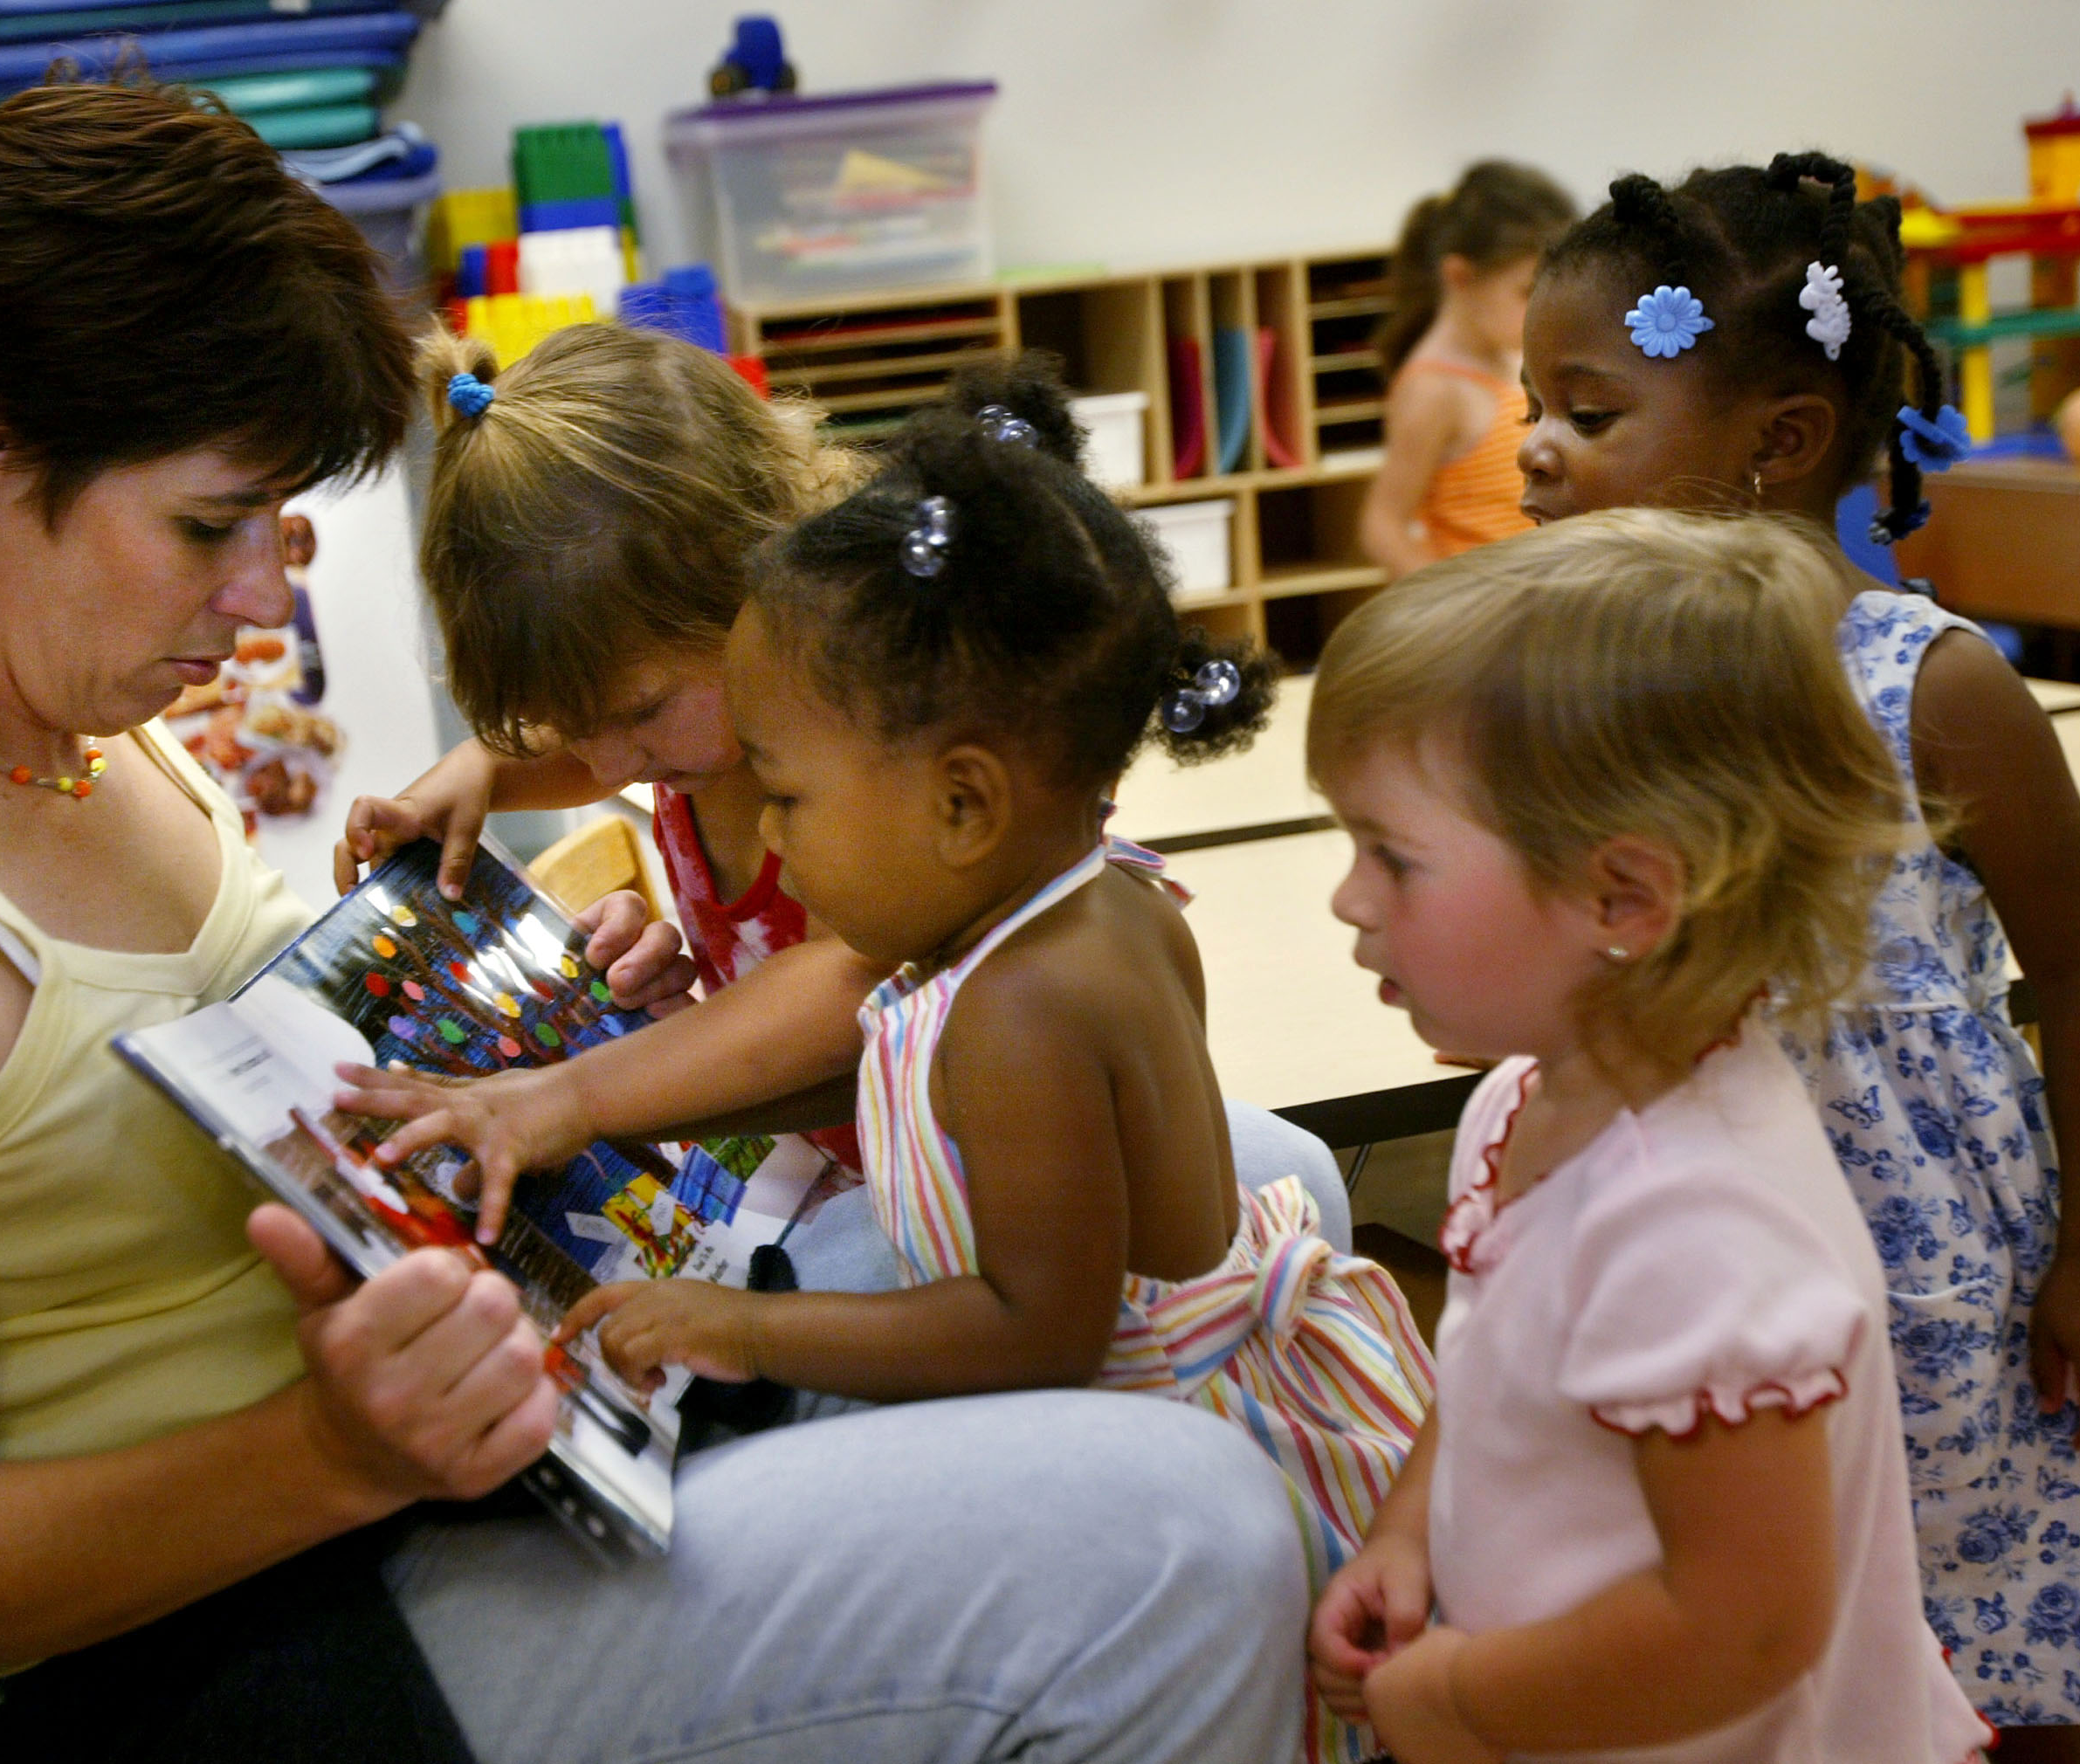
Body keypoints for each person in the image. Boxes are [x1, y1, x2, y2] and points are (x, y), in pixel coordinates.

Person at [0, 84, 1312, 1764]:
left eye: (276, 524)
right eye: (210, 524)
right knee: (1186, 1541)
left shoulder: (93, 728)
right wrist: (332, 1451)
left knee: (1260, 1179)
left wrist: (551, 1040)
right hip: (241, 1636)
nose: (265, 595)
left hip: (455, 1444)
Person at [520, 371, 1432, 1764]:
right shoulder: (1060, 909)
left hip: (1184, 1443)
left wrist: (737, 1329)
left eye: (790, 798)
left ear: (961, 802)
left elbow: (1037, 1332)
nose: (769, 846)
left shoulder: (1021, 1007)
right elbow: (887, 1092)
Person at [1517, 154, 2080, 1754]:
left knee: (1999, 1630)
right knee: (1749, 1628)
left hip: (1920, 1276)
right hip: (1684, 1268)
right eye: (1535, 406)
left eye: (1588, 417)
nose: (1527, 449)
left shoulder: (1924, 689)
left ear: (1778, 444)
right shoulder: (1568, 689)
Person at [338, 334, 1354, 1249]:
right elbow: (611, 734)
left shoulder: (874, 766)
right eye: (574, 726)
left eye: (638, 713)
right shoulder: (706, 730)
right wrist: (482, 767)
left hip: (969, 1172)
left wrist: (573, 1095)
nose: (608, 770)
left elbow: (847, 982)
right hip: (852, 1149)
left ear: (756, 587)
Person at [1305, 510, 1989, 1761]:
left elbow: (1740, 1631)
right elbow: (1495, 1378)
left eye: (1390, 858)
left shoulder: (1692, 1224)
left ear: (1622, 898)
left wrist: (1460, 1701)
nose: (1347, 898)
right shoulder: (1527, 1100)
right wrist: (1410, 1529)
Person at [1357, 161, 1574, 580]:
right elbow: (1382, 526)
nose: (1544, 309)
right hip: (1489, 622)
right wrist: (1450, 613)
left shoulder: (1511, 359)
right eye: (1528, 292)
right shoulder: (1434, 389)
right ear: (1460, 277)